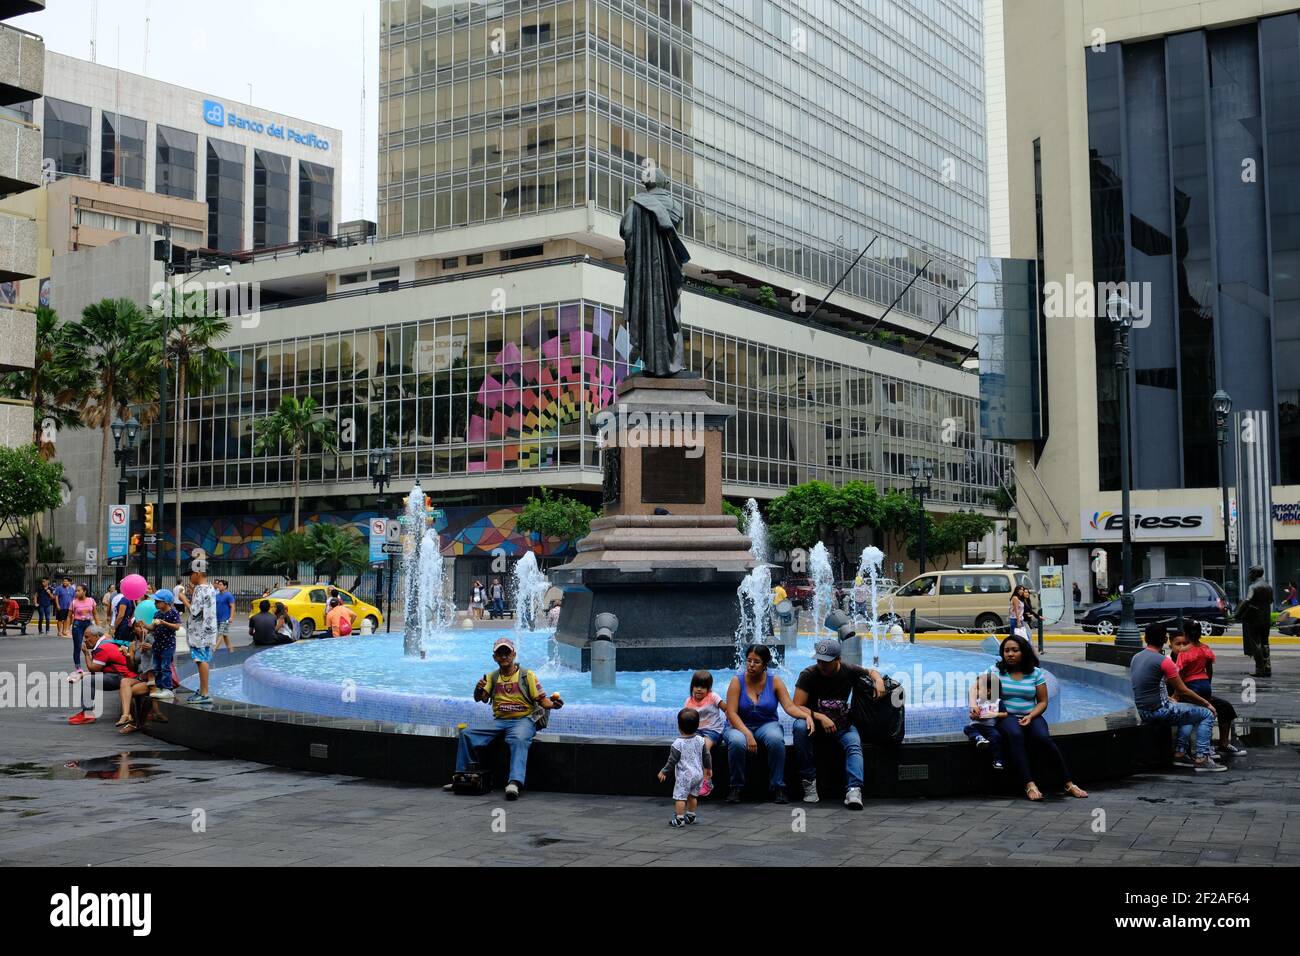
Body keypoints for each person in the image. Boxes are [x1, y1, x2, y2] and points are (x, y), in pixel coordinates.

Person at [445, 636, 563, 799]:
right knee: (467, 734)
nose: (504, 656)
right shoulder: (492, 677)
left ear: (514, 654)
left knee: (518, 739)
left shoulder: (527, 675)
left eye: (507, 653)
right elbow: (480, 698)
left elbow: (543, 701)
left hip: (524, 720)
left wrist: (554, 705)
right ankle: (462, 777)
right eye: (500, 654)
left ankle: (514, 782)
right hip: (499, 722)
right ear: (494, 658)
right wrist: (478, 689)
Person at [990, 635, 1090, 800]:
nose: (1010, 654)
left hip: (1032, 715)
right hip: (1006, 716)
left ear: (1024, 652)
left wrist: (1030, 716)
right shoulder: (995, 672)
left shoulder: (1035, 673)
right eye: (1006, 650)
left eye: (1015, 650)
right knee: (1016, 735)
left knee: (1043, 738)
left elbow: (1043, 702)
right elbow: (990, 701)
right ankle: (1030, 785)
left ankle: (1068, 783)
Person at [792, 637, 884, 810]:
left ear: (838, 660)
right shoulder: (808, 674)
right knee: (798, 727)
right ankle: (809, 781)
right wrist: (819, 717)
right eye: (819, 660)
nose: (822, 665)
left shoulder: (849, 670)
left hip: (841, 724)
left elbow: (871, 672)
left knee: (854, 744)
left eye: (826, 662)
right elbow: (796, 705)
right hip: (815, 724)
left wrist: (878, 681)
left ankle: (854, 790)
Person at [1130, 622, 1225, 772]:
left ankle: (1180, 754)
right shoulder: (1164, 661)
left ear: (1146, 638)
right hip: (1159, 711)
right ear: (1165, 639)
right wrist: (1207, 704)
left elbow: (1145, 685)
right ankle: (1202, 758)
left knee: (1186, 711)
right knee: (1206, 714)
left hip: (1143, 711)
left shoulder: (1136, 657)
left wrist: (1168, 698)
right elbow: (1183, 690)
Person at [722, 643, 809, 804]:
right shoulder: (737, 681)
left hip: (766, 724)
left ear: (765, 664)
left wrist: (806, 716)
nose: (751, 665)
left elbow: (789, 706)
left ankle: (778, 786)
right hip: (738, 725)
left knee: (776, 739)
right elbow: (731, 713)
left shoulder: (774, 681)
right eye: (748, 661)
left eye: (756, 662)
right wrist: (747, 734)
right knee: (736, 741)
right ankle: (736, 786)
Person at [1170, 623, 1245, 758]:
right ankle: (1201, 748)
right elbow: (1209, 670)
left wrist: (1177, 694)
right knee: (1203, 715)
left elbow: (1180, 674)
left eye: (1183, 642)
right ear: (1170, 645)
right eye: (1178, 644)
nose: (1181, 646)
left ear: (1187, 636)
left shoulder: (1184, 653)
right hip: (1199, 688)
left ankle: (1217, 746)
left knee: (1221, 708)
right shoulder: (1204, 649)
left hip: (1190, 689)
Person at [67, 625, 135, 725]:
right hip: (120, 674)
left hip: (121, 676)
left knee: (88, 681)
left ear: (96, 636)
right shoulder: (106, 642)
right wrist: (82, 674)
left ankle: (87, 713)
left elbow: (94, 669)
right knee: (87, 678)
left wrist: (86, 653)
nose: (84, 640)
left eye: (87, 637)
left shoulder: (103, 647)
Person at [658, 707, 712, 827]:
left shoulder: (677, 744)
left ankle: (679, 819)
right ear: (697, 725)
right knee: (693, 795)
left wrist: (664, 771)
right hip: (698, 774)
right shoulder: (701, 740)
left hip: (684, 776)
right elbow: (706, 755)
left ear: (679, 726)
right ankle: (691, 816)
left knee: (680, 797)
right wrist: (708, 768)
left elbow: (672, 761)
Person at [682, 670, 726, 797]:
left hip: (713, 730)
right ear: (692, 686)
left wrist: (731, 723)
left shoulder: (713, 697)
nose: (699, 689)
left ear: (709, 688)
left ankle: (707, 780)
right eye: (696, 686)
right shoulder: (689, 701)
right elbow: (685, 719)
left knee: (704, 748)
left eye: (703, 687)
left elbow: (727, 708)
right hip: (696, 731)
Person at [179, 565, 218, 703]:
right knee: (204, 659)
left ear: (198, 573)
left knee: (201, 660)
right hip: (208, 630)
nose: (190, 577)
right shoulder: (210, 587)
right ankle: (203, 690)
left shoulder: (200, 589)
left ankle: (205, 693)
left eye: (191, 574)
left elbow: (194, 611)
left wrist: (183, 599)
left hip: (199, 632)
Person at [1235, 565, 1273, 677]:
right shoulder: (1268, 587)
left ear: (1255, 574)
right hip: (1266, 619)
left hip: (1255, 619)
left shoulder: (1253, 587)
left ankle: (1260, 669)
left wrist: (1237, 613)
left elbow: (1248, 599)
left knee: (1256, 644)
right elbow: (1271, 601)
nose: (1249, 576)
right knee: (1265, 643)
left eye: (1250, 573)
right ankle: (1268, 667)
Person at [964, 670, 1006, 771]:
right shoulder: (977, 702)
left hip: (989, 727)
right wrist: (974, 716)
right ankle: (979, 738)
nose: (976, 691)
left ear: (988, 691)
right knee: (967, 728)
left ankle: (998, 760)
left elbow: (1005, 714)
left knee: (997, 737)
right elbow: (971, 716)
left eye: (978, 688)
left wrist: (994, 714)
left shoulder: (997, 702)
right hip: (976, 726)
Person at [147, 589, 181, 702]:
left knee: (165, 667)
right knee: (156, 667)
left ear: (166, 602)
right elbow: (153, 628)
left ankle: (168, 689)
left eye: (157, 601)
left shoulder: (173, 612)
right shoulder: (157, 613)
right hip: (157, 645)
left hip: (168, 645)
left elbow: (177, 626)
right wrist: (145, 626)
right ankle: (160, 687)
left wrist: (163, 622)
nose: (155, 603)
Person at [68, 585, 97, 676]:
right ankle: (78, 667)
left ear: (84, 591)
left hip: (88, 624)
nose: (76, 592)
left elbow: (95, 614)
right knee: (78, 646)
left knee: (94, 645)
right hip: (78, 624)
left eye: (78, 590)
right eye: (76, 591)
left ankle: (95, 665)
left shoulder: (91, 601)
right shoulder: (74, 602)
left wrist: (98, 626)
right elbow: (69, 616)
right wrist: (67, 628)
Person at [214, 579, 236, 652]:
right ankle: (231, 651)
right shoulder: (216, 595)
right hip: (218, 618)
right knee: (225, 635)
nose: (218, 586)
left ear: (225, 586)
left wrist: (231, 617)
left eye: (220, 585)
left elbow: (232, 606)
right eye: (218, 585)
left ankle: (213, 650)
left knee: (220, 634)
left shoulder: (228, 595)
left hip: (225, 618)